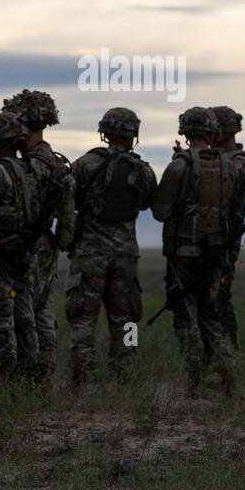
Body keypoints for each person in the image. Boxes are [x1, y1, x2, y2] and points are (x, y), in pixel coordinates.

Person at [65, 107, 157, 389]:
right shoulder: (143, 170)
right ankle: (125, 378)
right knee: (126, 320)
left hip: (89, 254)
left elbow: (69, 202)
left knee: (83, 318)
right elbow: (149, 203)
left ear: (104, 133)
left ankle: (84, 381)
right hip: (125, 255)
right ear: (133, 136)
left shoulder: (84, 164)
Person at [152, 107, 239, 396]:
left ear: (185, 132)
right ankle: (229, 379)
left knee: (186, 315)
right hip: (216, 251)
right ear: (212, 131)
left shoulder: (179, 166)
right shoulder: (231, 166)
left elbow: (160, 211)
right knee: (212, 315)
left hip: (184, 253)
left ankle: (194, 381)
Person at [1, 89, 74, 386]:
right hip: (47, 245)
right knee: (42, 308)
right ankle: (45, 376)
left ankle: (25, 378)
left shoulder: (26, 166)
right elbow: (68, 221)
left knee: (22, 310)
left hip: (25, 246)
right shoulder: (57, 163)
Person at [0, 111, 39, 389]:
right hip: (22, 256)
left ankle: (5, 381)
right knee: (24, 317)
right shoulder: (29, 170)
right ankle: (28, 379)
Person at [208, 105, 245, 358]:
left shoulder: (242, 160)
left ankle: (227, 355)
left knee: (220, 299)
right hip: (206, 239)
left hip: (224, 242)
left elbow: (229, 178)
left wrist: (197, 160)